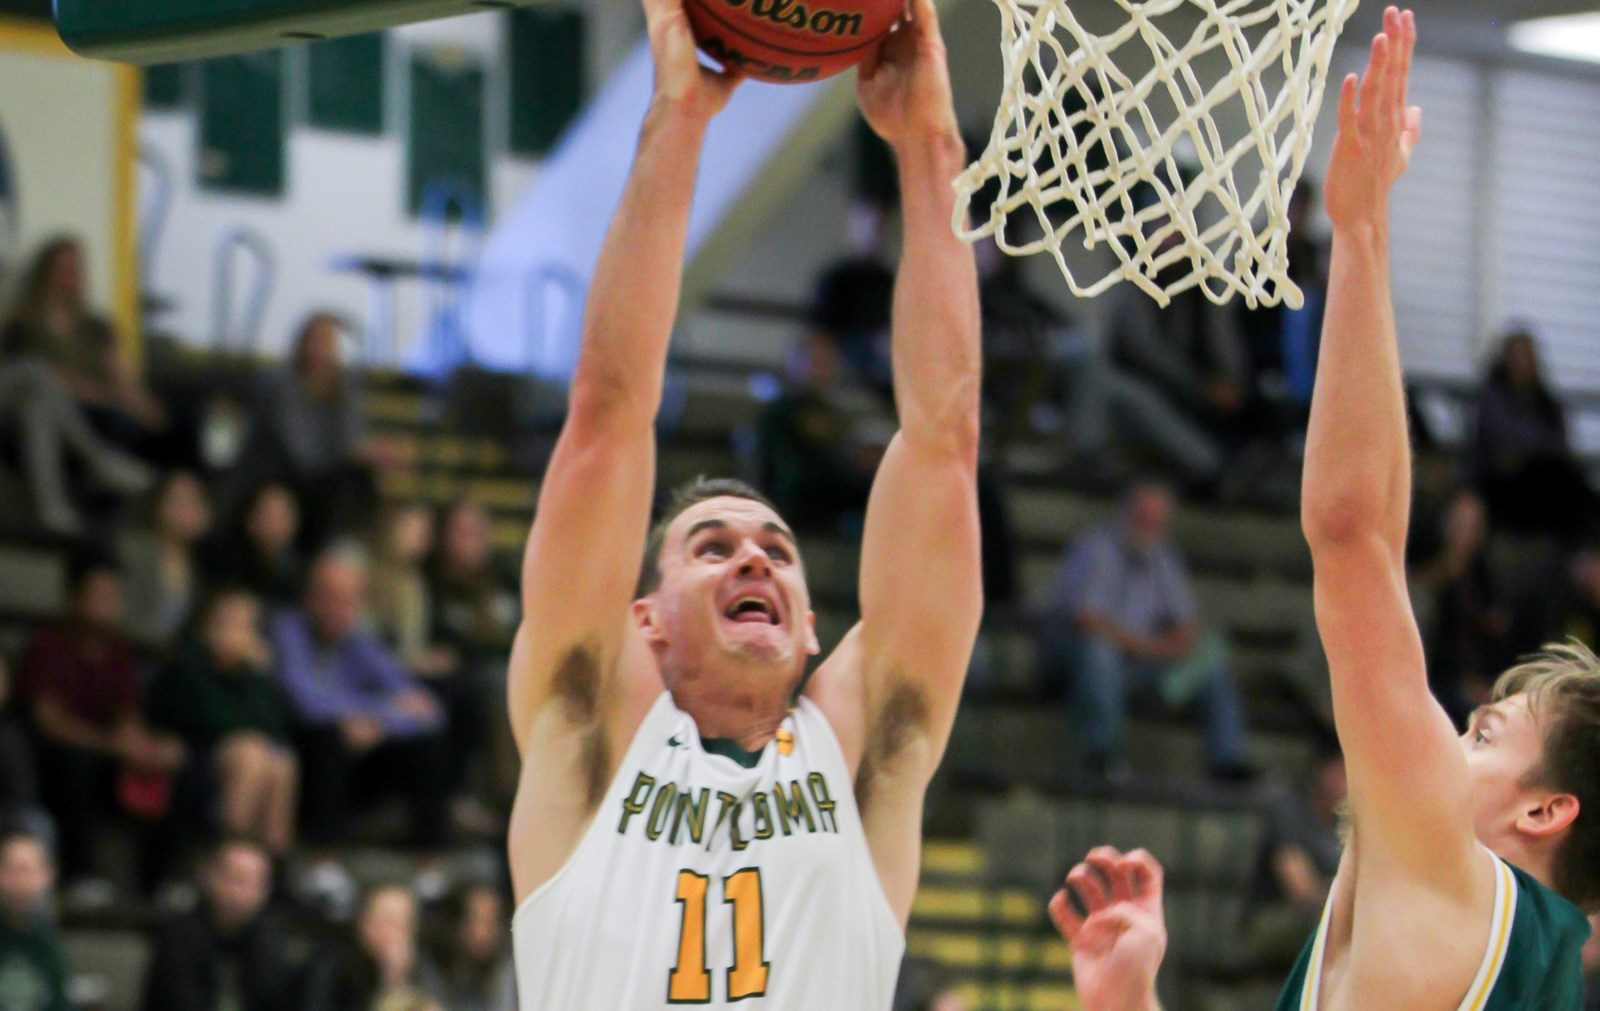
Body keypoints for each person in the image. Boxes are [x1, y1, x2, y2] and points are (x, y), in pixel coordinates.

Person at [1052, 14, 1600, 1010]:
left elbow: (1354, 540)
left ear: (1542, 812)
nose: (1436, 736)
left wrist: (1360, 230)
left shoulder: (1469, 893)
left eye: (1480, 737)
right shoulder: (1483, 948)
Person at [507, 0, 983, 1005]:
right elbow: (607, 416)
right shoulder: (587, 728)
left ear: (811, 629)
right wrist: (676, 120)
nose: (754, 557)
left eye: (775, 549)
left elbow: (942, 446)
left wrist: (930, 146)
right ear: (643, 619)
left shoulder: (859, 755)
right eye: (711, 548)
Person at [1034, 480, 1253, 781]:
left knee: (1211, 658)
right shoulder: (1094, 548)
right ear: (1124, 513)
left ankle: (1229, 763)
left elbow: (1187, 625)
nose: (1149, 527)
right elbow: (1087, 621)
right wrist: (1153, 647)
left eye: (1157, 521)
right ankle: (1102, 756)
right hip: (1073, 664)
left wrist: (1175, 645)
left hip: (1137, 668)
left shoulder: (1163, 557)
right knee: (1100, 654)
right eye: (1143, 517)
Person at [17, 555, 187, 896]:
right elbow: (49, 722)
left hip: (105, 754)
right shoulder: (47, 644)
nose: (107, 606)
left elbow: (128, 714)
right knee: (78, 765)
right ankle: (80, 875)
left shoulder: (119, 650)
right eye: (98, 596)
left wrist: (146, 748)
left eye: (113, 596)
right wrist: (111, 745)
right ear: (74, 599)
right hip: (54, 754)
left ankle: (160, 882)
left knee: (176, 768)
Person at [272, 551, 448, 854]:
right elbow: (306, 703)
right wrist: (372, 712)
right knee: (328, 736)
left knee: (426, 744)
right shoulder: (287, 631)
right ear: (309, 599)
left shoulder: (360, 639)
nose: (340, 609)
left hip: (359, 751)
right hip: (302, 749)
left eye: (349, 601)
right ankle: (322, 855)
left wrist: (378, 722)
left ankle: (429, 857)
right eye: (330, 598)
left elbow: (426, 709)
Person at [147, 589, 298, 856]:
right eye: (229, 623)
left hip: (239, 757)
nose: (236, 634)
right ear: (206, 625)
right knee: (250, 754)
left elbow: (275, 728)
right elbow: (215, 722)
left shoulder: (252, 675)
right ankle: (227, 852)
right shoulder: (186, 664)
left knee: (282, 762)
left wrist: (256, 676)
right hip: (190, 759)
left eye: (245, 626)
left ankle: (272, 861)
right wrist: (248, 679)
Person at [1, 237, 168, 457]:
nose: (72, 277)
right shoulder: (26, 326)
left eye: (76, 269)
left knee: (173, 420)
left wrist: (139, 402)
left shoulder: (94, 327)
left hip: (106, 404)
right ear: (46, 274)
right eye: (64, 269)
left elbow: (120, 371)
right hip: (67, 408)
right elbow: (43, 375)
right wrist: (102, 396)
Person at [239, 313, 392, 549]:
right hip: (287, 478)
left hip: (328, 482)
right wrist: (354, 451)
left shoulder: (342, 388)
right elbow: (302, 453)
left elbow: (354, 436)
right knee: (345, 487)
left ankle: (349, 551)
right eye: (318, 340)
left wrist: (369, 451)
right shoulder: (282, 386)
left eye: (330, 342)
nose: (324, 349)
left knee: (360, 482)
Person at [1471, 327, 1596, 542]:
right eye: (1518, 356)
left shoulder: (1546, 403)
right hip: (1508, 484)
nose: (1524, 363)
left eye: (1528, 357)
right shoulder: (1493, 399)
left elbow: (1560, 447)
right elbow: (1503, 450)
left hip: (1547, 480)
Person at [139, 836, 293, 1011]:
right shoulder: (178, 937)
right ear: (208, 877)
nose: (242, 892)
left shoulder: (269, 939)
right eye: (235, 878)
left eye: (255, 882)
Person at [754, 331, 878, 534]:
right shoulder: (781, 411)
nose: (823, 368)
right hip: (797, 503)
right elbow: (791, 472)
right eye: (815, 361)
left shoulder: (827, 409)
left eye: (827, 361)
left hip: (829, 496)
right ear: (794, 362)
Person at [303, 883, 444, 1011]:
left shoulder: (421, 963)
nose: (396, 931)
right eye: (388, 920)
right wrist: (390, 980)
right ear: (363, 923)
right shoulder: (331, 965)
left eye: (404, 922)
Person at [120, 469, 213, 652]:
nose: (188, 510)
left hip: (168, 659)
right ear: (158, 505)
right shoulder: (133, 550)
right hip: (128, 652)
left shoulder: (202, 564)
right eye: (179, 501)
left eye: (196, 501)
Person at [206, 482, 307, 609]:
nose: (275, 524)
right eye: (268, 516)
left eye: (283, 516)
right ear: (250, 519)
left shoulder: (302, 572)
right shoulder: (224, 565)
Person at [0, 828, 69, 1011]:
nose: (19, 881)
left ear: (47, 875)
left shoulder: (47, 944)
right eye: (10, 869)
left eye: (26, 870)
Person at [420, 883, 516, 1011]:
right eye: (477, 920)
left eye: (491, 922)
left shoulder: (509, 969)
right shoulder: (436, 964)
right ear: (460, 924)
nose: (483, 933)